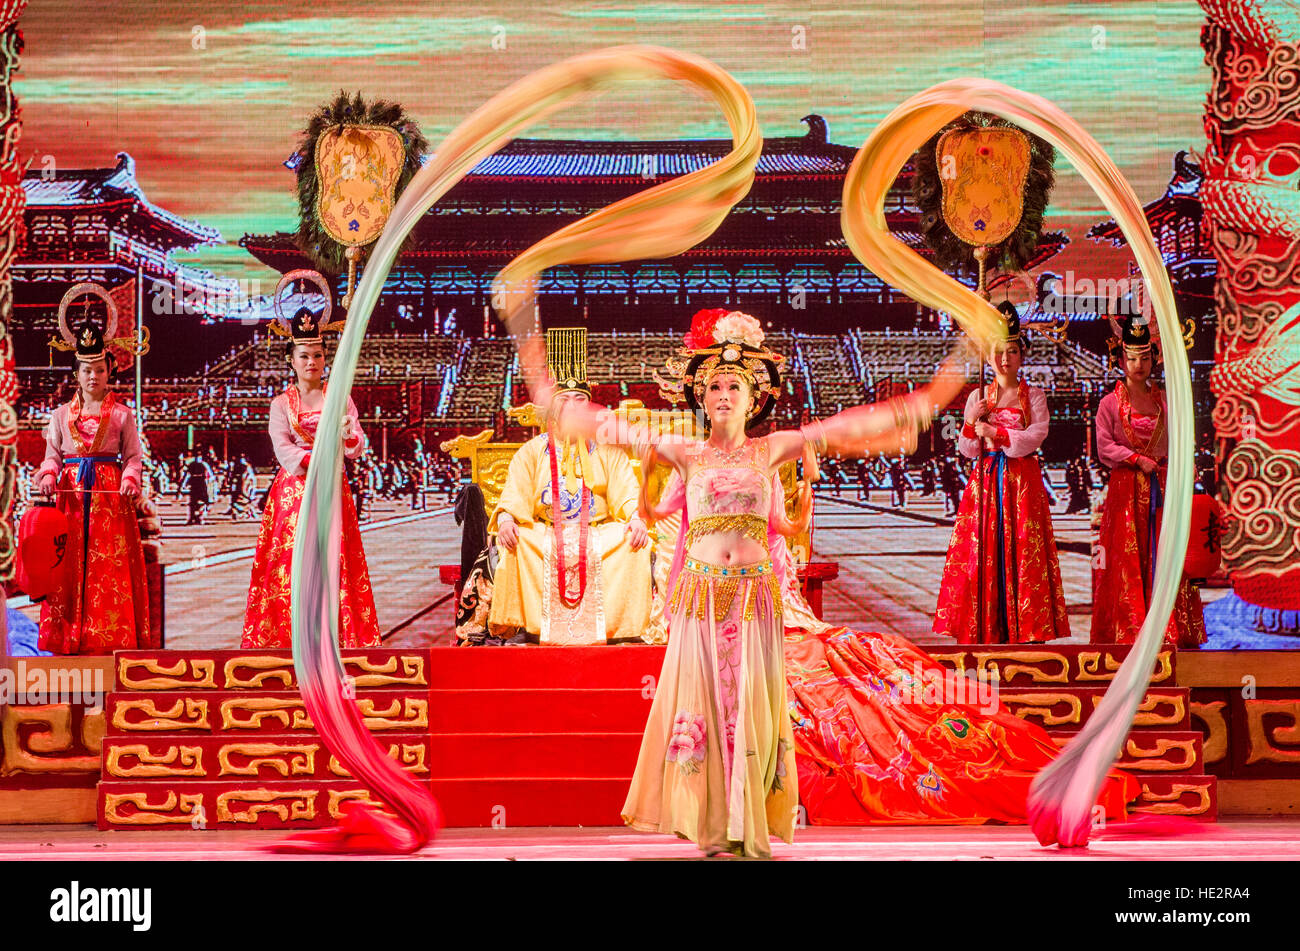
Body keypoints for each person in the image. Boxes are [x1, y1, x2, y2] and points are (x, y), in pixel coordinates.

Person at [609, 308, 967, 857]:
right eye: (714, 387)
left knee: (750, 705)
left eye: (735, 386)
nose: (724, 394)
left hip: (754, 596)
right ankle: (709, 824)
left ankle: (746, 820)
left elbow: (848, 428)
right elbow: (608, 431)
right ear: (699, 399)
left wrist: (925, 400)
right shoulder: (684, 453)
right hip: (702, 597)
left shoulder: (772, 447)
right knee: (705, 705)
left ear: (755, 399)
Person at [241, 273, 380, 650]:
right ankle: (287, 637)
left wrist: (349, 433)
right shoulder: (280, 405)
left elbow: (358, 445)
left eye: (318, 355)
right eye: (304, 355)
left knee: (333, 559)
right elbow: (281, 447)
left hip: (332, 489)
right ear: (291, 360)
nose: (312, 362)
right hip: (295, 493)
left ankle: (333, 636)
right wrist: (315, 459)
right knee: (290, 561)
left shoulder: (339, 396)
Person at [488, 328, 651, 645]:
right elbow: (515, 495)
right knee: (519, 541)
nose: (574, 406)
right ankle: (531, 625)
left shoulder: (606, 450)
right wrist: (507, 518)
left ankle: (619, 628)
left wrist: (635, 518)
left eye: (581, 400)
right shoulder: (533, 450)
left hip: (598, 533)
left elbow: (628, 494)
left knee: (630, 543)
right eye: (566, 400)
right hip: (546, 531)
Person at [932, 303, 1071, 644]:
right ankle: (985, 622)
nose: (1004, 359)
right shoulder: (979, 396)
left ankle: (1025, 624)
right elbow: (966, 450)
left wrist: (995, 433)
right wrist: (971, 422)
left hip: (1022, 480)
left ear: (1022, 354)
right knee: (984, 547)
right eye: (997, 351)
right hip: (986, 481)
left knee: (1024, 546)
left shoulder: (1033, 396)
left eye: (1011, 351)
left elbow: (1037, 436)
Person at [33, 282, 152, 654]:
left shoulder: (121, 415)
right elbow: (51, 455)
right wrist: (49, 475)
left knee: (107, 571)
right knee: (67, 567)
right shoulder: (58, 416)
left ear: (108, 371)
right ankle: (67, 639)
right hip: (70, 499)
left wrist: (130, 480)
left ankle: (108, 639)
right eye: (86, 370)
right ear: (76, 373)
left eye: (99, 369)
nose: (93, 377)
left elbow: (133, 456)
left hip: (109, 502)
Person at [1090, 317, 1206, 648]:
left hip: (1164, 489)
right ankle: (1129, 627)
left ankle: (1171, 629)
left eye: (1144, 357)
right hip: (1126, 491)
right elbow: (1104, 447)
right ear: (1120, 360)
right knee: (1127, 558)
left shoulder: (1167, 401)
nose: (1138, 364)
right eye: (1131, 357)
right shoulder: (1109, 404)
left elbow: (1183, 439)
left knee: (1166, 554)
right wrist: (1135, 459)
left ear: (1154, 357)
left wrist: (1187, 465)